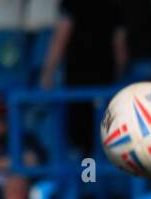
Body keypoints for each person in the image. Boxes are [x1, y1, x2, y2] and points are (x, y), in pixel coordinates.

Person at [40, 0, 121, 152]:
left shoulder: (73, 4)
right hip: (103, 80)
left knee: (84, 141)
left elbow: (61, 38)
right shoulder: (112, 4)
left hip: (79, 82)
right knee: (98, 137)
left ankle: (88, 174)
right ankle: (91, 174)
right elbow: (120, 48)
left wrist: (47, 73)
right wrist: (117, 76)